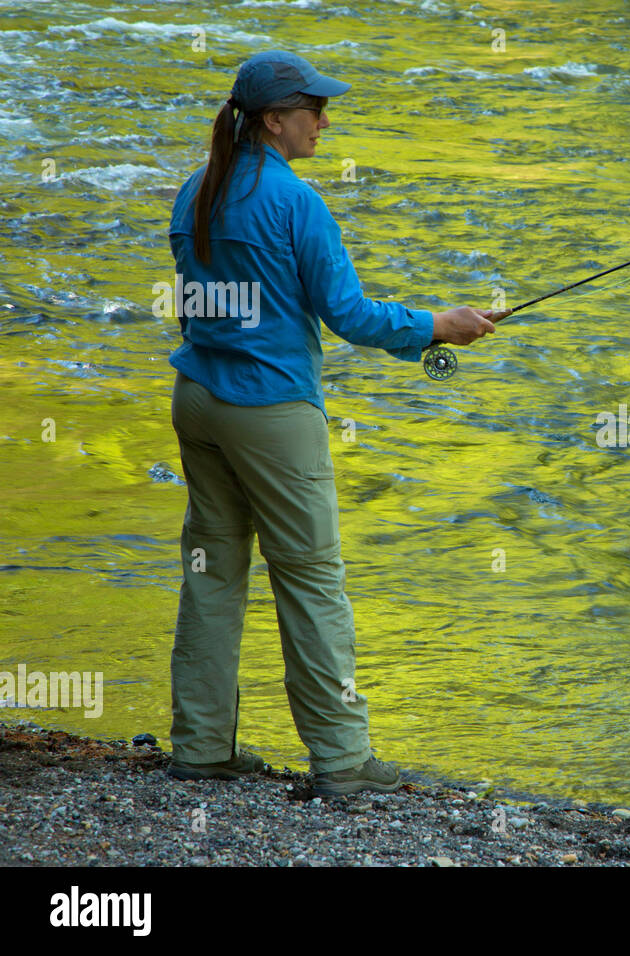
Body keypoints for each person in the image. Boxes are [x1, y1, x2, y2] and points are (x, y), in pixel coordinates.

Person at [164, 50, 508, 796]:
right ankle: (344, 761)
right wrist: (437, 325)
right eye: (312, 108)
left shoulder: (195, 190)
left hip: (198, 400)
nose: (324, 119)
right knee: (312, 578)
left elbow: (203, 304)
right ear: (272, 119)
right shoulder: (294, 202)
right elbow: (349, 315)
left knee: (212, 572)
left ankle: (198, 748)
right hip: (271, 412)